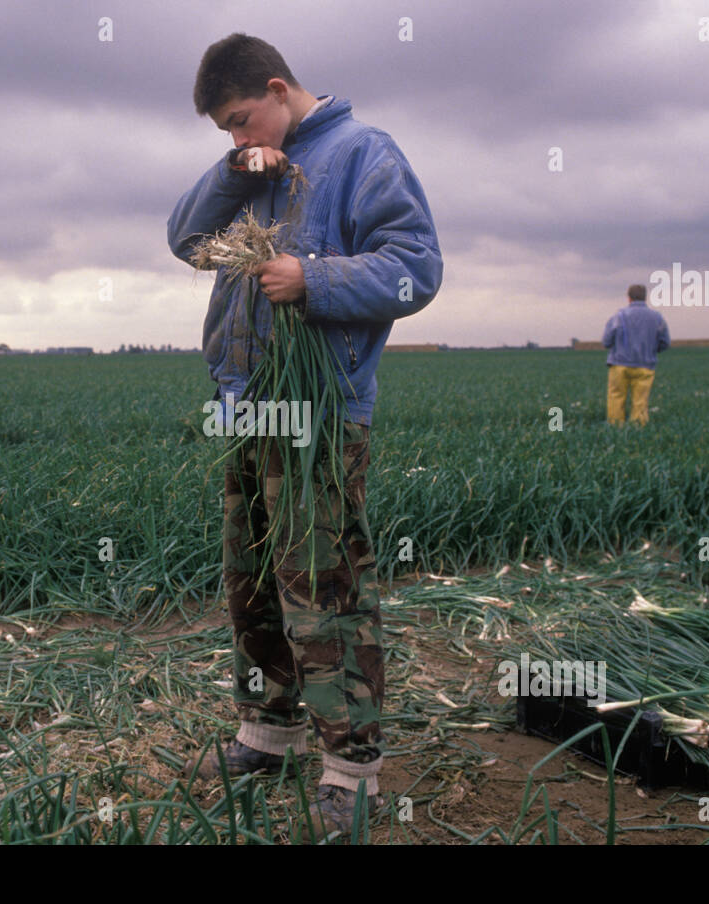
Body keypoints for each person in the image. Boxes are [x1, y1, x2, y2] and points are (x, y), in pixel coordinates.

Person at [166, 33, 442, 839]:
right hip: (244, 402)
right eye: (225, 131)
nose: (239, 138)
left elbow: (416, 268)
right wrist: (231, 172)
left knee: (323, 585)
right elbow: (183, 240)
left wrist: (313, 278)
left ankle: (352, 767)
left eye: (243, 122)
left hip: (321, 412)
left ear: (280, 90)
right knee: (250, 577)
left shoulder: (363, 152)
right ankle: (269, 731)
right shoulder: (247, 170)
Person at [602, 284, 671, 425]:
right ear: (645, 297)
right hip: (645, 365)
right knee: (640, 400)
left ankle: (616, 427)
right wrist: (652, 350)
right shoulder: (657, 318)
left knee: (616, 397)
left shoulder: (618, 316)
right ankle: (638, 428)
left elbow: (607, 341)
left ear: (629, 298)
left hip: (619, 365)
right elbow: (665, 342)